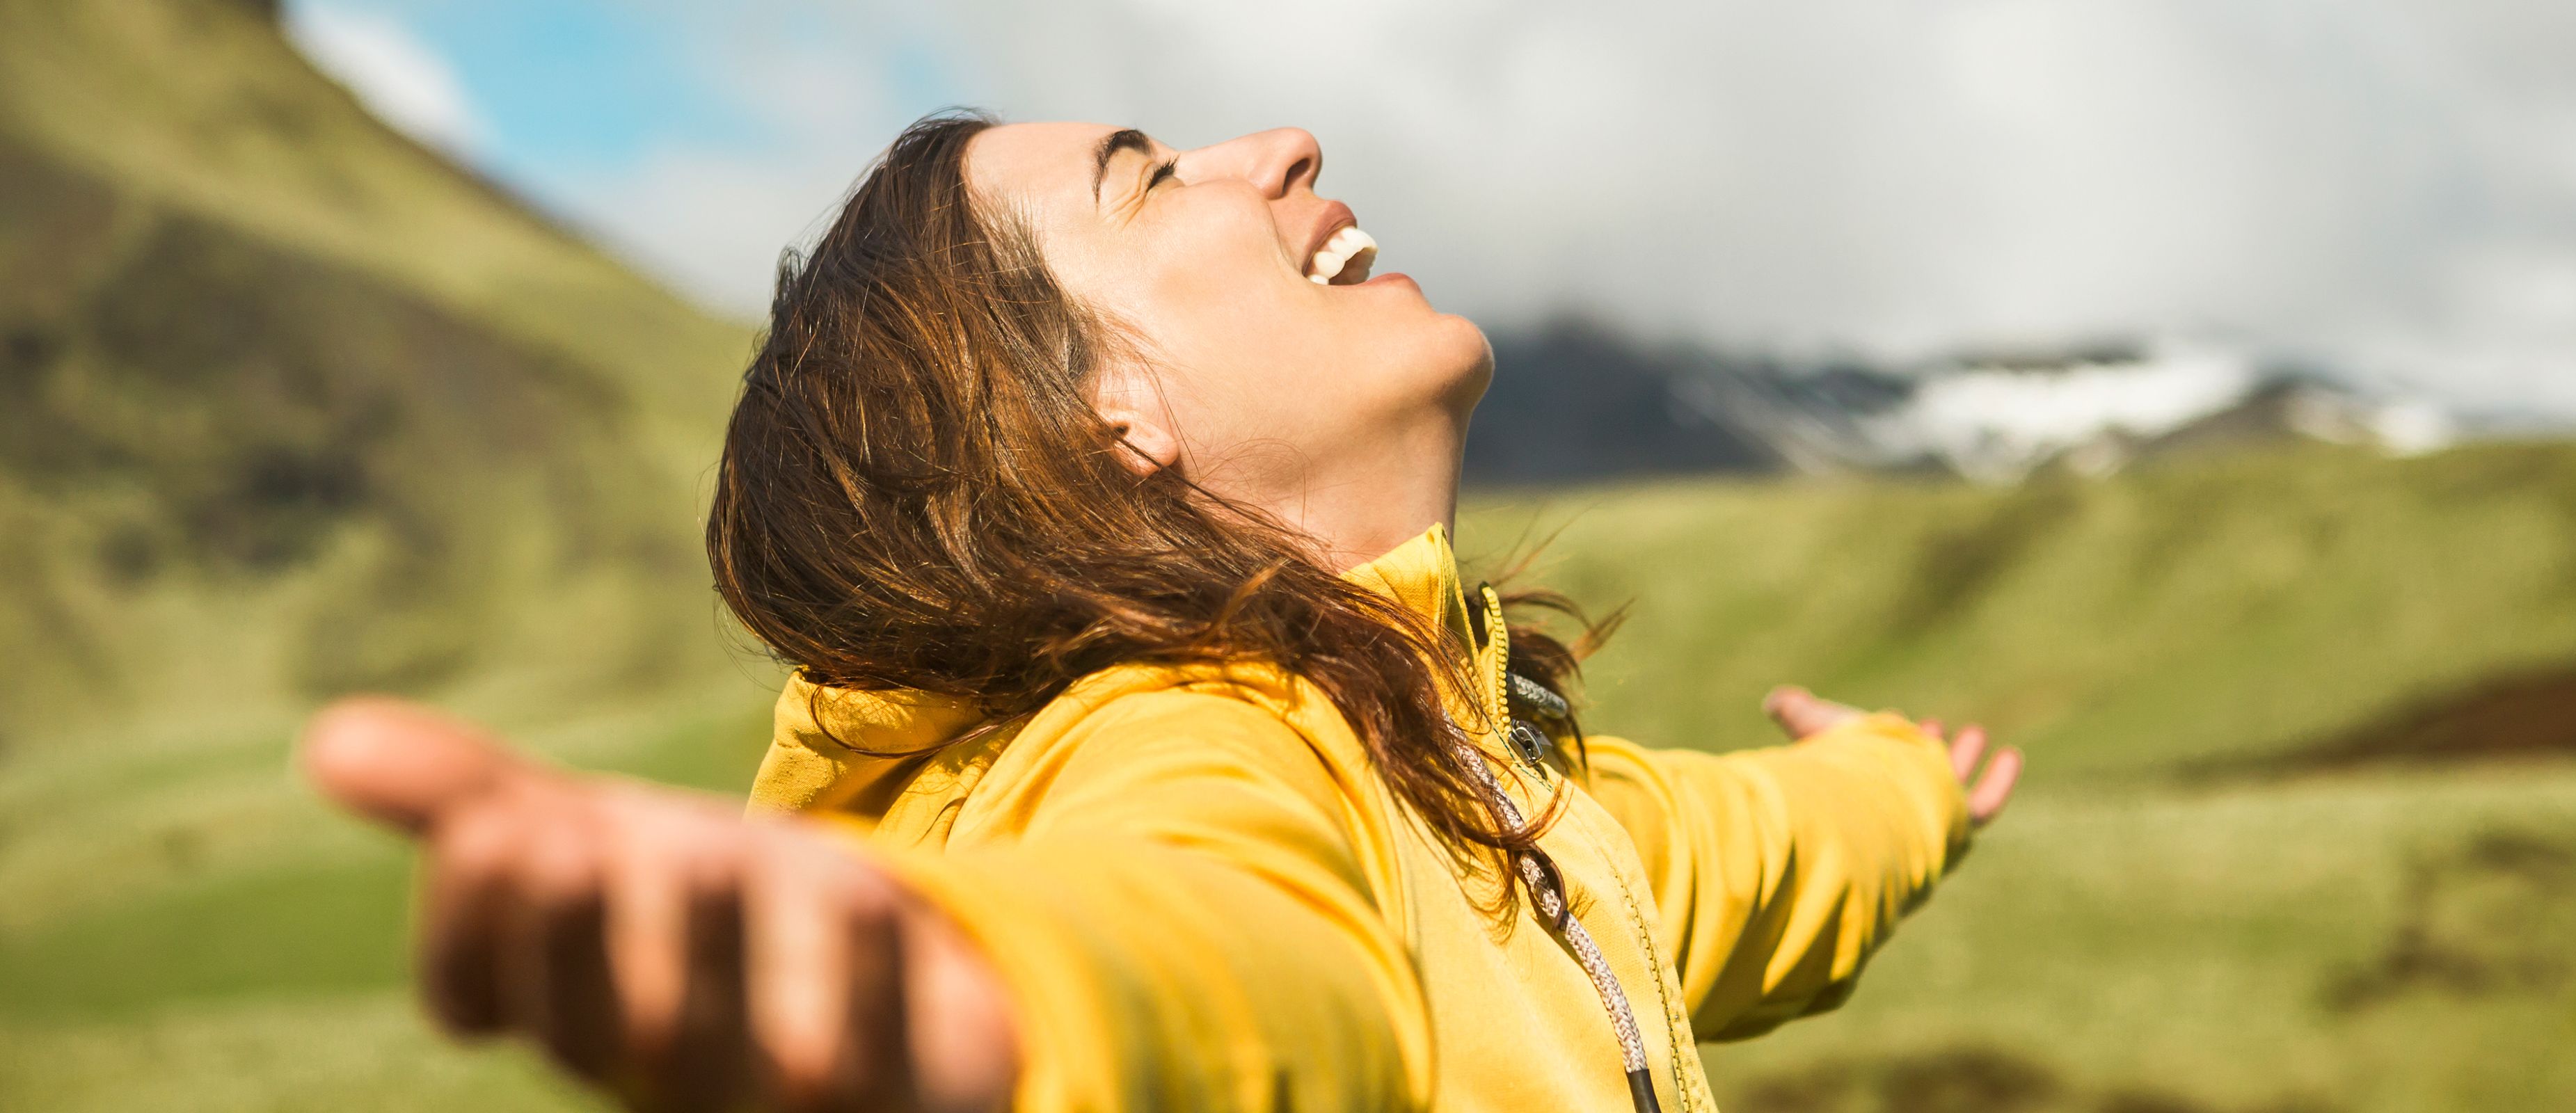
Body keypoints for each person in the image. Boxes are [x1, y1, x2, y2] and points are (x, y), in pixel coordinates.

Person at [305, 111, 2022, 1113]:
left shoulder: (1477, 781)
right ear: (1093, 413)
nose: (1279, 148)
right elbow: (1215, 945)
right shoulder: (1196, 736)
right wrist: (989, 1003)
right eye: (1143, 178)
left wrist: (1902, 782)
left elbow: (1732, 854)